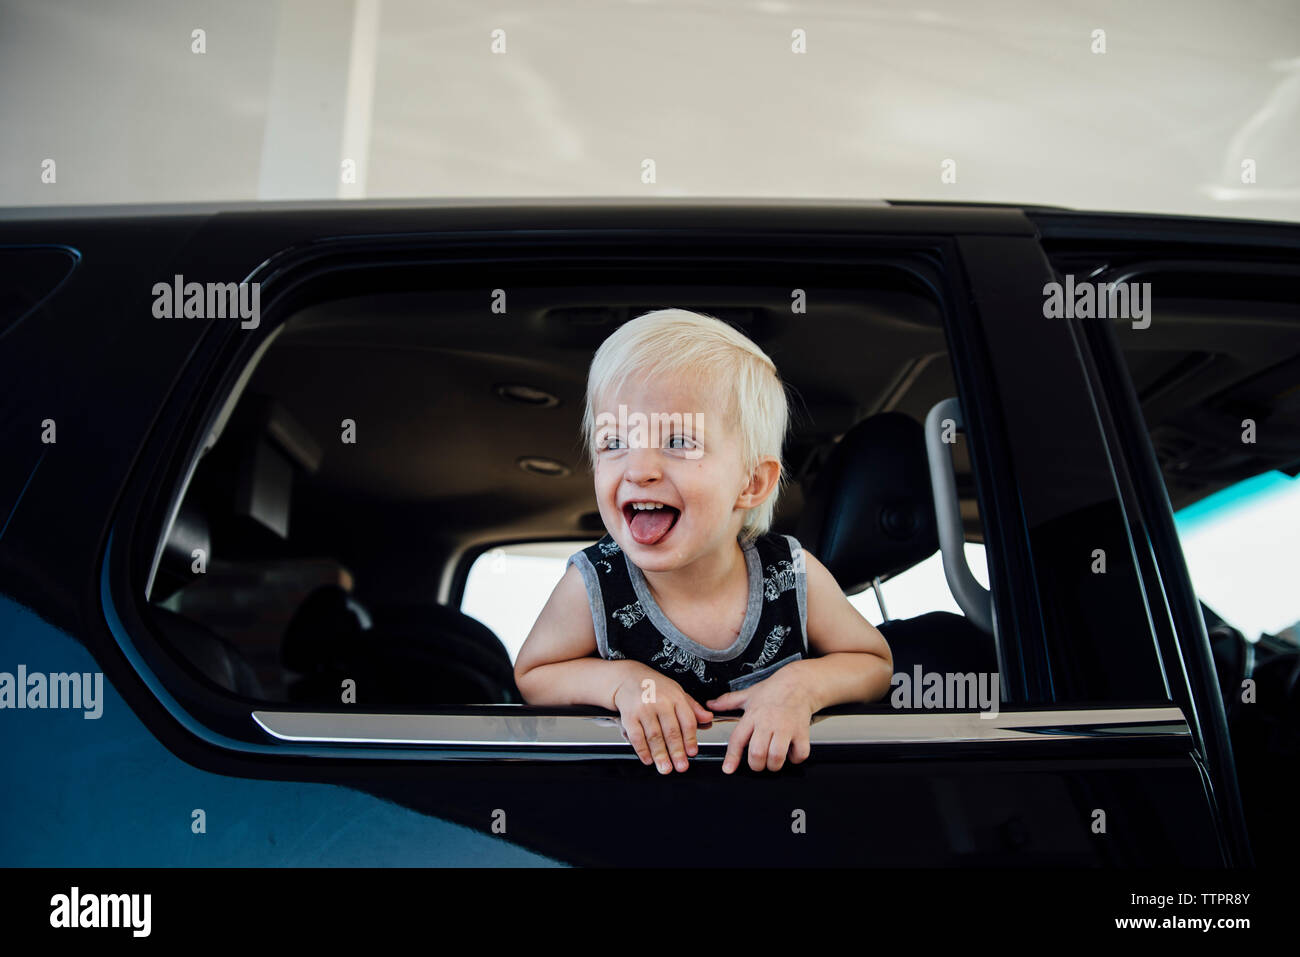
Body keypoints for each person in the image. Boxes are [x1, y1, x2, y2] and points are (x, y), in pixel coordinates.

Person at [514, 308, 892, 774]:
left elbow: (873, 663)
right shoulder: (595, 582)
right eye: (614, 442)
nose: (638, 469)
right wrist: (624, 683)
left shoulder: (790, 574)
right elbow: (533, 675)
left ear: (751, 482)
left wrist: (801, 686)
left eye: (677, 441)